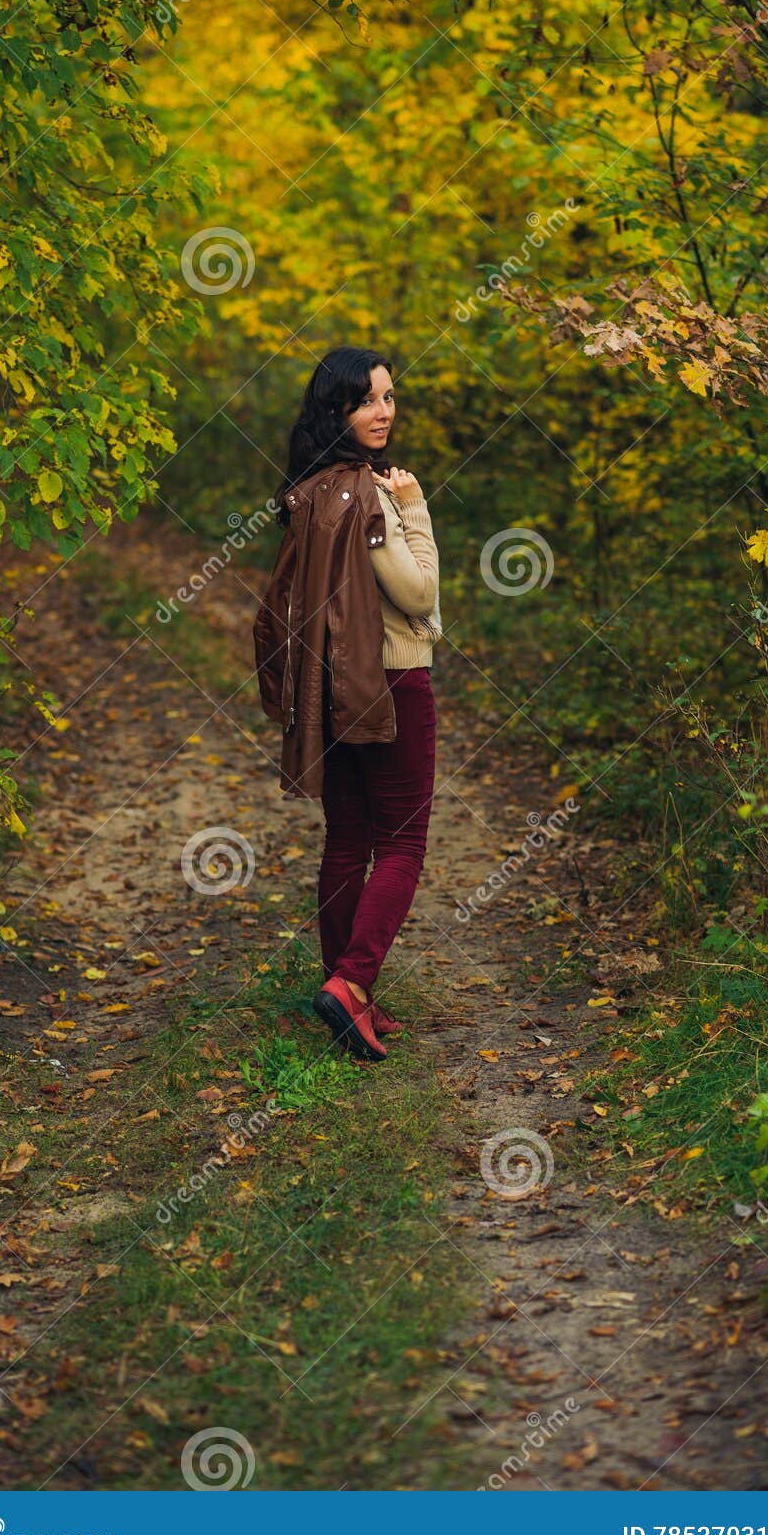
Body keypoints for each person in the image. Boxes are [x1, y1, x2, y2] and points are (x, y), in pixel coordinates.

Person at [253, 346, 442, 1062]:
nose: (384, 411)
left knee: (346, 839)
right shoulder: (370, 494)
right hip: (390, 680)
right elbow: (417, 594)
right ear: (336, 410)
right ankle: (353, 986)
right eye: (367, 400)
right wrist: (414, 508)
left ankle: (342, 987)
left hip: (327, 685)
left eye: (389, 397)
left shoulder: (305, 492)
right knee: (401, 843)